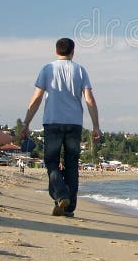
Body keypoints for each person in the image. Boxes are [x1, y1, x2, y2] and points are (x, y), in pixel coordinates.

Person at [21, 38, 100, 217]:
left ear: (56, 51)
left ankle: (60, 194)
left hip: (53, 121)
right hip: (74, 123)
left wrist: (26, 122)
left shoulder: (47, 69)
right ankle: (69, 206)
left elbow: (37, 98)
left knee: (51, 162)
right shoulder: (80, 70)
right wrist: (96, 125)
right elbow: (90, 99)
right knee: (72, 164)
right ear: (73, 51)